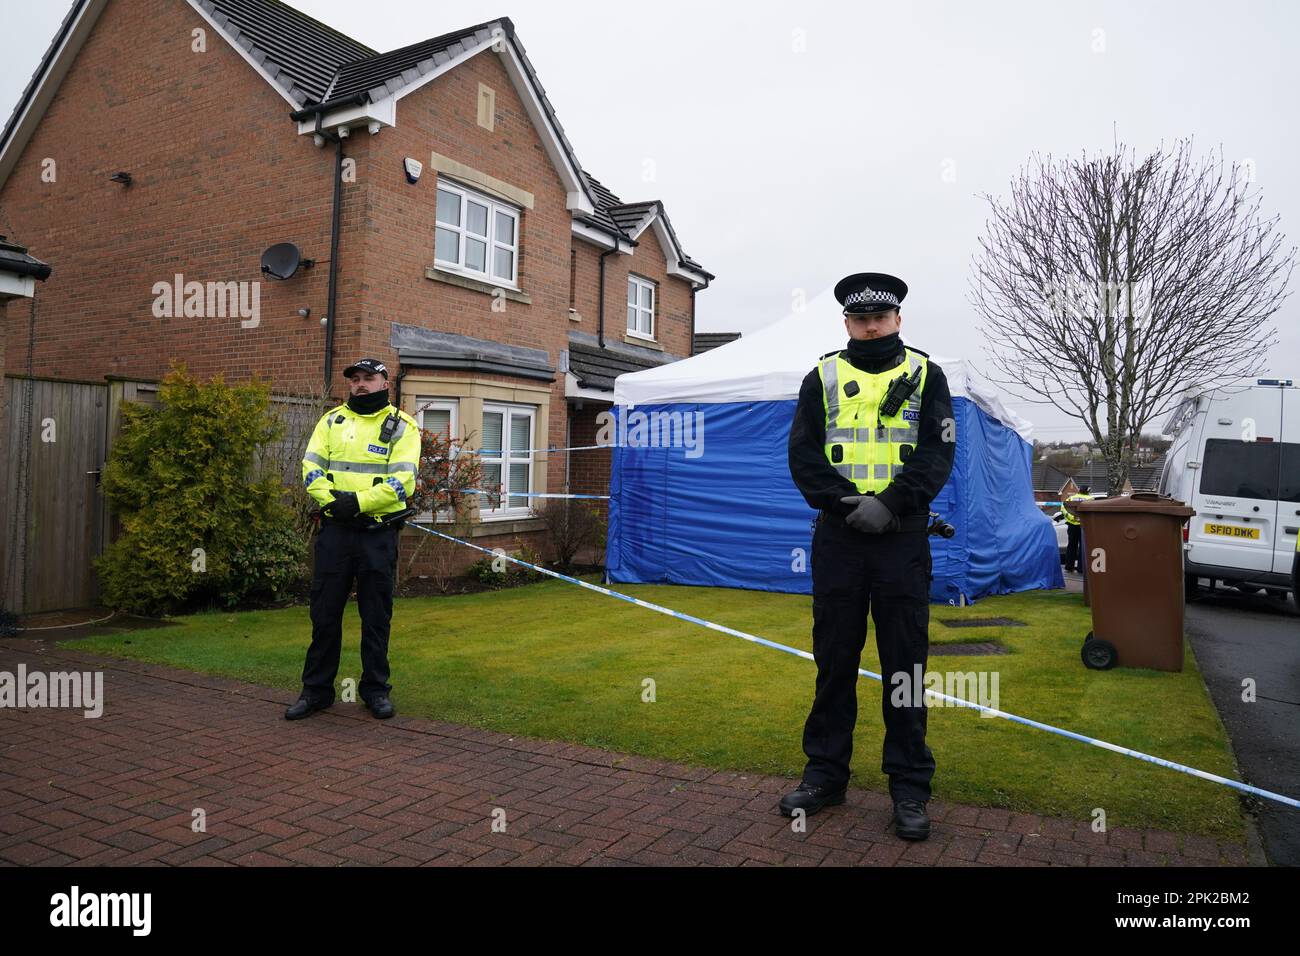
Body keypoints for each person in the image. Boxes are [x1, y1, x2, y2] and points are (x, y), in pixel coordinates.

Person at [782, 272, 956, 841]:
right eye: (861, 319)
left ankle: (909, 788)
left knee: (904, 666)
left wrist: (892, 504)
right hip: (839, 538)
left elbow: (938, 454)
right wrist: (843, 504)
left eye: (880, 317)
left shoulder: (928, 376)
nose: (871, 325)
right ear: (847, 323)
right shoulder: (821, 377)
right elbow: (803, 455)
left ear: (898, 320)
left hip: (902, 538)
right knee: (834, 662)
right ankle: (825, 776)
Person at [286, 358, 420, 721]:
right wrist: (334, 504)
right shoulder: (331, 421)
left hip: (377, 535)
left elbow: (402, 482)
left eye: (368, 378)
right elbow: (310, 467)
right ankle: (315, 692)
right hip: (336, 534)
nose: (360, 385)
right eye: (355, 379)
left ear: (384, 382)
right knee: (324, 614)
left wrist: (358, 503)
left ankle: (375, 691)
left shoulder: (403, 426)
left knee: (376, 616)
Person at [1062, 485, 1091, 573]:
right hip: (1084, 526)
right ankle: (1081, 568)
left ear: (1079, 490)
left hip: (1072, 525)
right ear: (1088, 491)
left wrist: (1072, 517)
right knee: (1083, 547)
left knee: (1071, 546)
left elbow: (1063, 509)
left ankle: (1069, 566)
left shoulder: (1071, 498)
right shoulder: (1091, 499)